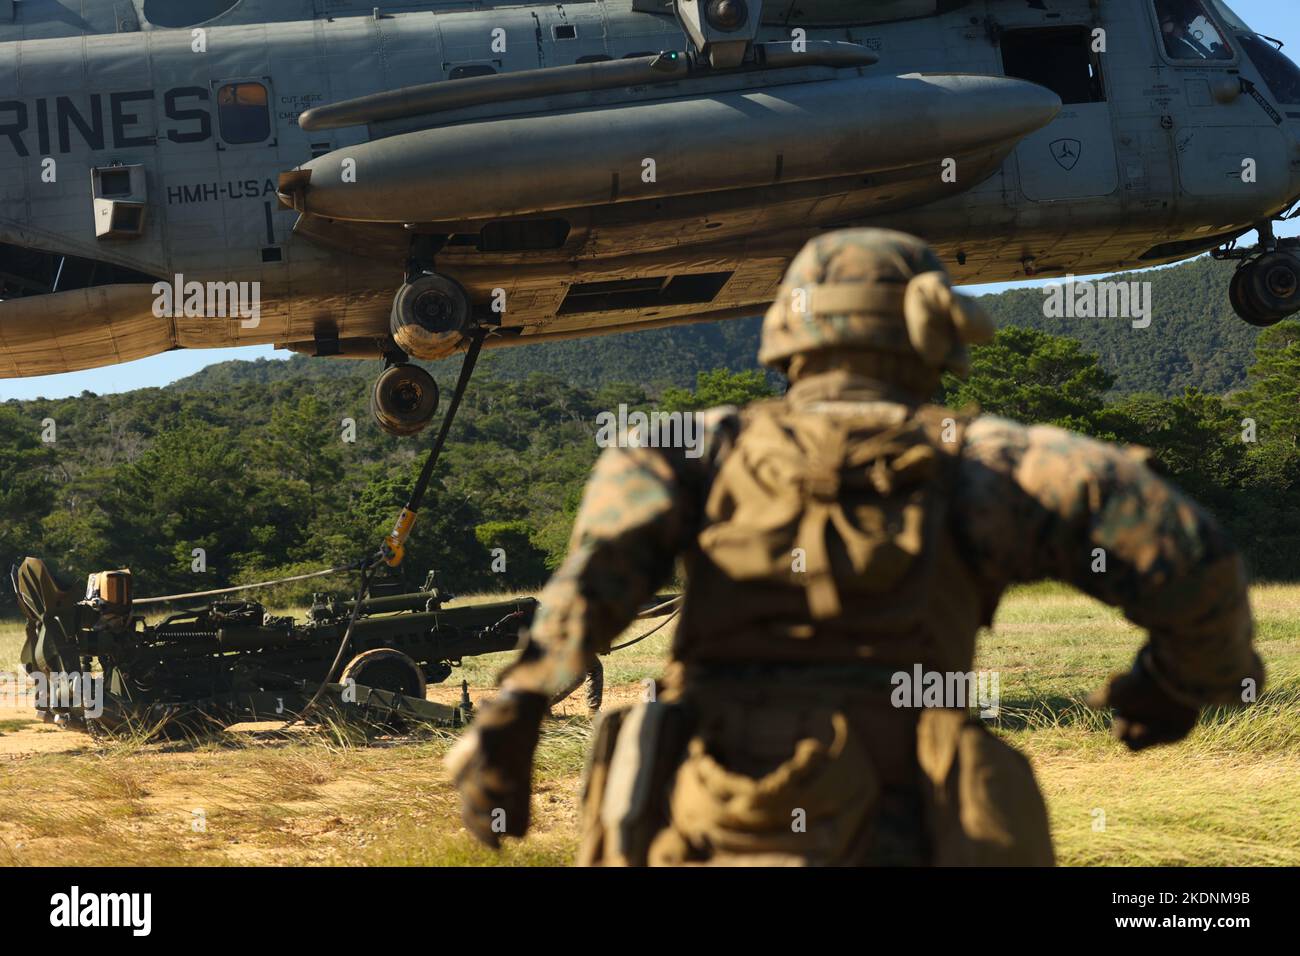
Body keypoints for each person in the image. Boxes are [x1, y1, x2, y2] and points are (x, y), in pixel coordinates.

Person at [448, 228, 1264, 865]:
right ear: (933, 330)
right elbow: (1192, 560)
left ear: (788, 331)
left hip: (712, 813)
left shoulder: (681, 451)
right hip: (919, 815)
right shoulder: (996, 464)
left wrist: (515, 712)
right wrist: (1173, 684)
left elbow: (588, 591)